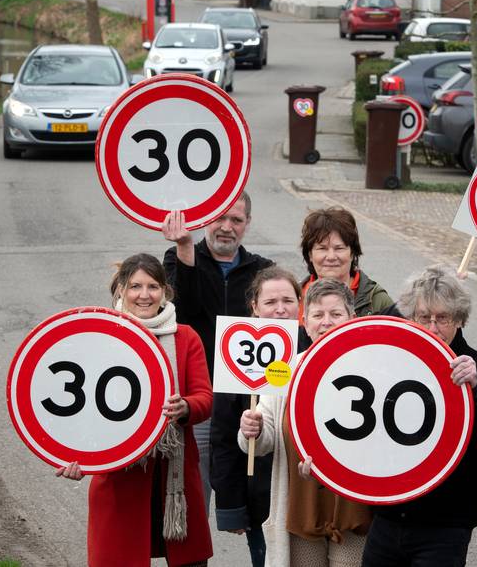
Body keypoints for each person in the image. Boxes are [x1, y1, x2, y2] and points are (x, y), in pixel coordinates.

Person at [55, 253, 214, 567]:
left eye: (153, 286)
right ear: (121, 291)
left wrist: (185, 407)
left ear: (165, 292)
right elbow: (82, 408)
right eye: (135, 286)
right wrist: (77, 458)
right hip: (120, 480)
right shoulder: (101, 336)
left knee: (189, 562)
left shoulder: (185, 338)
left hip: (174, 477)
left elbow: (204, 399)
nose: (144, 295)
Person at [360, 265, 477, 567]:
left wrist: (475, 390)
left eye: (442, 318)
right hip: (388, 518)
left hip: (445, 527)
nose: (432, 327)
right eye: (423, 317)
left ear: (459, 318)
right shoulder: (392, 365)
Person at [238, 278, 372, 567]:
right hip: (301, 505)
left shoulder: (370, 368)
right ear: (304, 321)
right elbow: (265, 439)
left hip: (353, 510)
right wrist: (253, 429)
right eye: (318, 315)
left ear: (352, 318)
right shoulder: (284, 371)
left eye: (336, 314)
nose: (326, 322)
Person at [161, 192, 274, 535]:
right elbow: (181, 312)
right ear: (204, 219)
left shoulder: (262, 270)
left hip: (249, 404)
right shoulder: (178, 257)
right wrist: (184, 248)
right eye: (219, 218)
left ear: (247, 224)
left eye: (236, 220)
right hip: (200, 398)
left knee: (258, 504)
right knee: (196, 501)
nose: (226, 227)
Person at [213, 266, 305, 567]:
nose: (280, 309)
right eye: (271, 302)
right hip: (260, 495)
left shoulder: (314, 344)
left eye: (288, 301)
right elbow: (224, 434)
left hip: (307, 492)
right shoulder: (238, 347)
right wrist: (230, 505)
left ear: (299, 303)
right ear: (254, 306)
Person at [298, 207, 395, 319]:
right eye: (322, 248)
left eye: (339, 248)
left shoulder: (377, 301)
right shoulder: (294, 299)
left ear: (352, 253)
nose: (331, 257)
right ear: (310, 254)